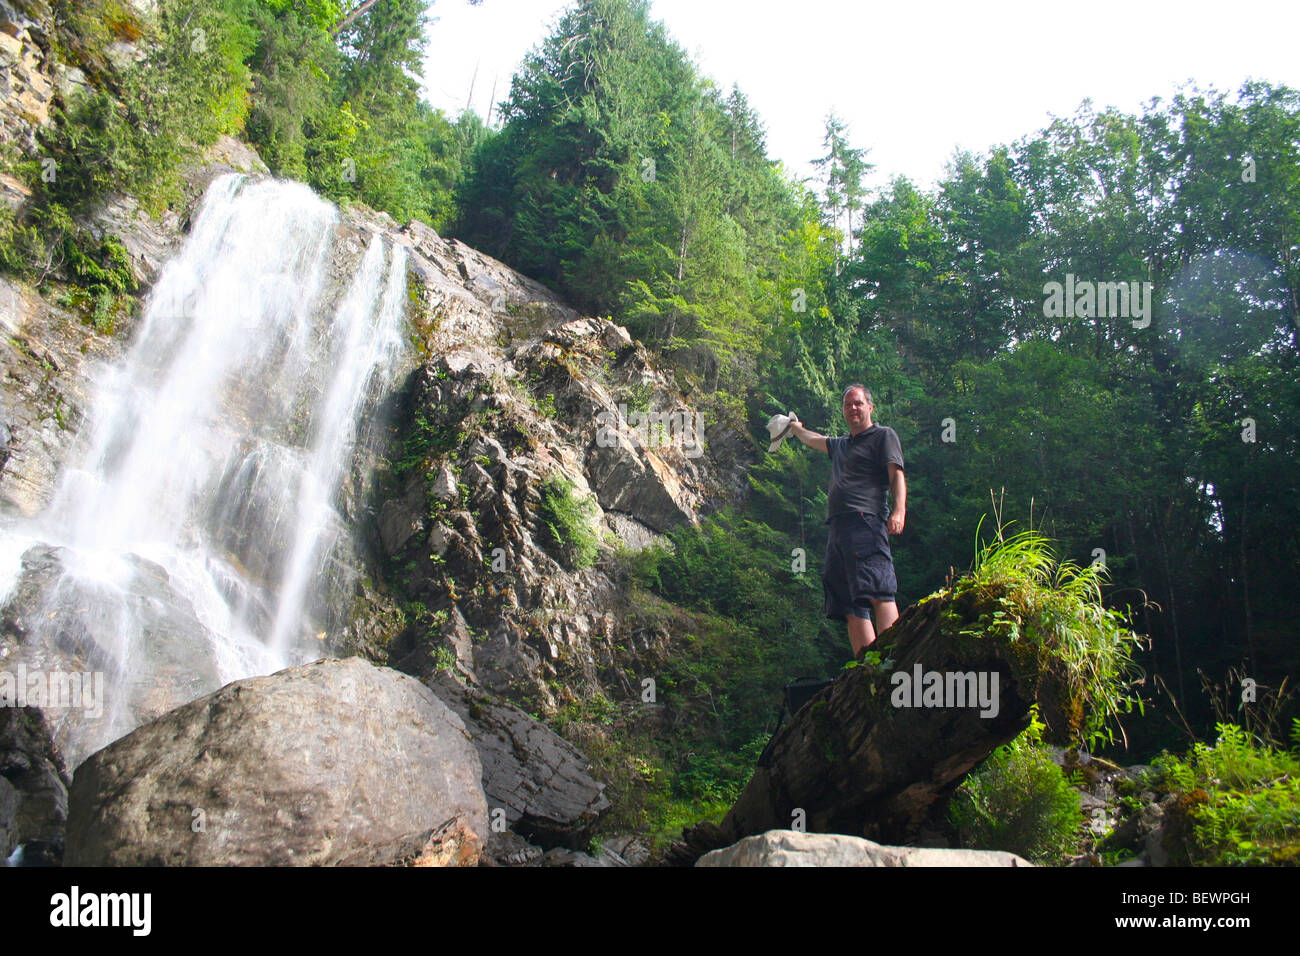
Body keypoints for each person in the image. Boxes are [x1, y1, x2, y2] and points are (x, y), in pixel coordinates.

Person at [788, 385, 906, 657]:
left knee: (879, 588)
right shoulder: (841, 445)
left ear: (870, 407)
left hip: (867, 520)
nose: (853, 408)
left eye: (858, 403)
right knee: (847, 602)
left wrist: (899, 511)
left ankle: (897, 659)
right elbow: (814, 439)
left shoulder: (883, 435)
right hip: (837, 528)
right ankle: (868, 667)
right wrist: (795, 428)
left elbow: (896, 475)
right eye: (848, 404)